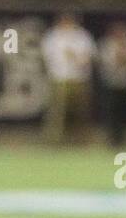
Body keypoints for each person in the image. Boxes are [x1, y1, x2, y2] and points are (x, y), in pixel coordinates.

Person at [40, 13, 95, 144]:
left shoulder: (82, 36)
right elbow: (45, 57)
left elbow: (90, 57)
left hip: (79, 79)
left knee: (81, 113)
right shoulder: (52, 36)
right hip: (59, 79)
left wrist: (76, 58)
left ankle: (81, 141)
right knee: (57, 114)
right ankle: (54, 142)